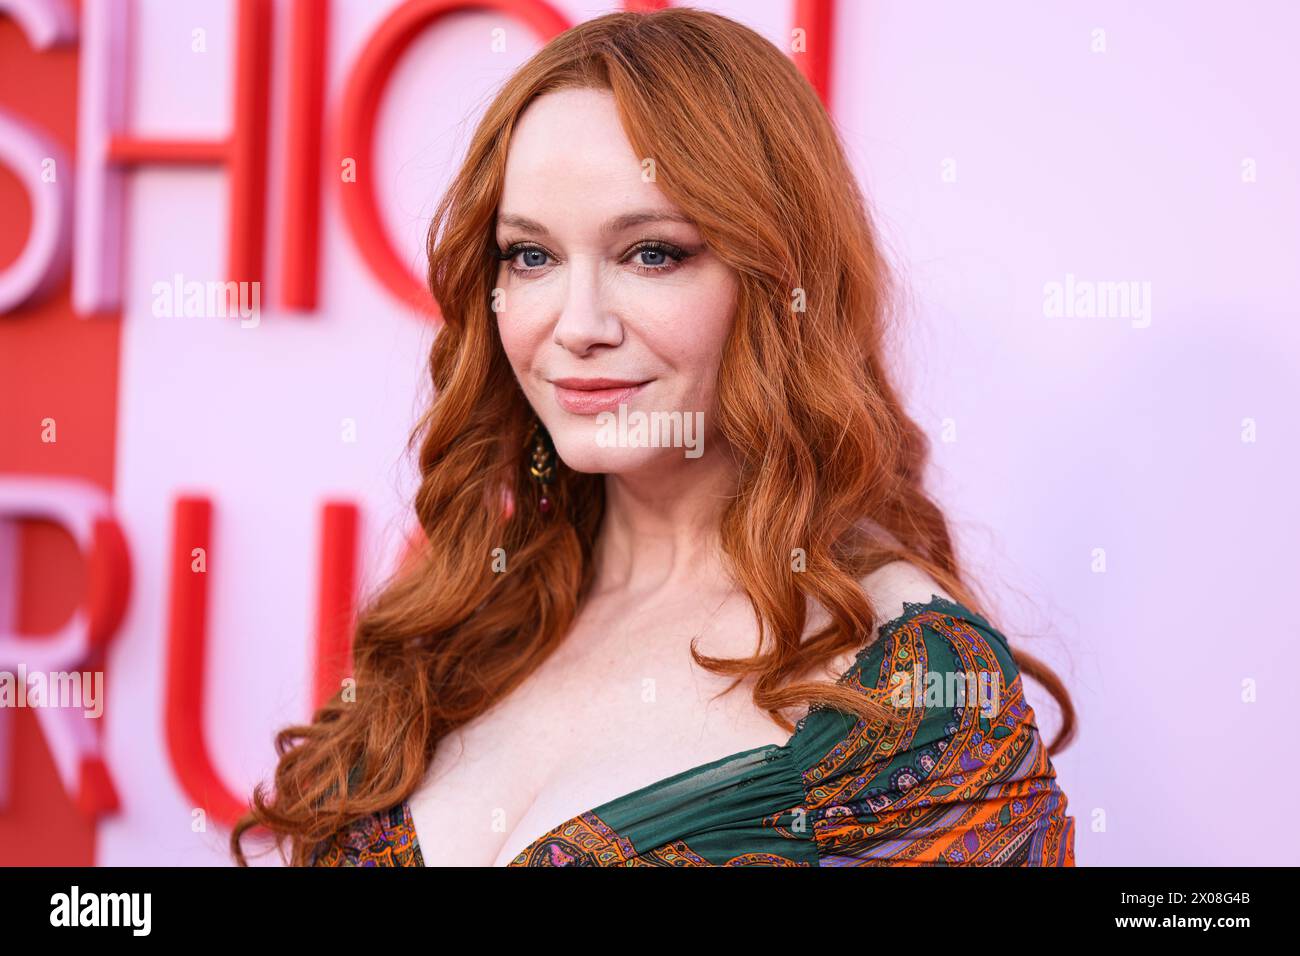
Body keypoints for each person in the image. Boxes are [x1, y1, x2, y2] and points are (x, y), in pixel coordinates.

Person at [231, 7, 1076, 867]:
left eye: (652, 254)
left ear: (781, 279)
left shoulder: (909, 673)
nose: (578, 324)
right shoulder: (473, 616)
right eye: (531, 257)